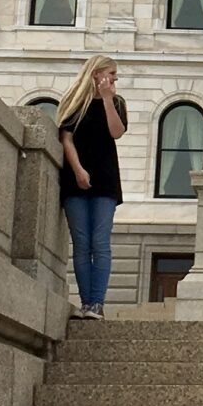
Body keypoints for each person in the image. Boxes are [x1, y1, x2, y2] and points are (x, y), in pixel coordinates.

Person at [55, 55, 126, 319]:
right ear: (95, 74)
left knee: (100, 242)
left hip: (106, 181)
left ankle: (97, 303)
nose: (115, 78)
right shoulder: (74, 103)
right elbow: (66, 139)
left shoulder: (117, 103)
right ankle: (86, 304)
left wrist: (107, 98)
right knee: (81, 243)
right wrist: (78, 170)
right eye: (111, 73)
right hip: (75, 181)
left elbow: (116, 132)